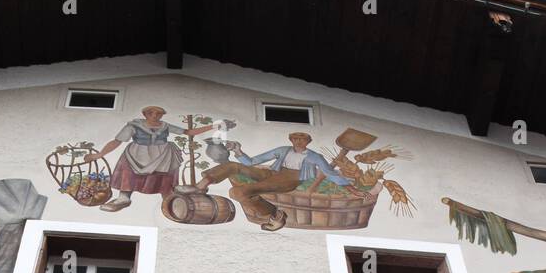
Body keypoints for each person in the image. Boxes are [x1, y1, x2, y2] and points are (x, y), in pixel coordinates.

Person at [179, 132, 367, 231]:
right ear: (291, 139)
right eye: (296, 138)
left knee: (238, 192)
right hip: (274, 173)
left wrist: (353, 190)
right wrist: (238, 149)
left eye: (303, 139)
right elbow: (253, 162)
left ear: (308, 141)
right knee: (231, 165)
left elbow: (330, 173)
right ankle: (199, 187)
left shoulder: (314, 156)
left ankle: (275, 216)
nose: (299, 141)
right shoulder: (283, 149)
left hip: (289, 180)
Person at [84, 106, 216, 212]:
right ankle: (123, 198)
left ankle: (169, 198)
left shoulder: (165, 126)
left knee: (165, 177)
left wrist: (213, 126)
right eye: (151, 113)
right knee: (128, 172)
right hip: (137, 153)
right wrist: (98, 155)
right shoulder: (133, 126)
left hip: (162, 153)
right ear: (145, 114)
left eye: (158, 113)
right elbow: (117, 141)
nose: (155, 116)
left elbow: (188, 132)